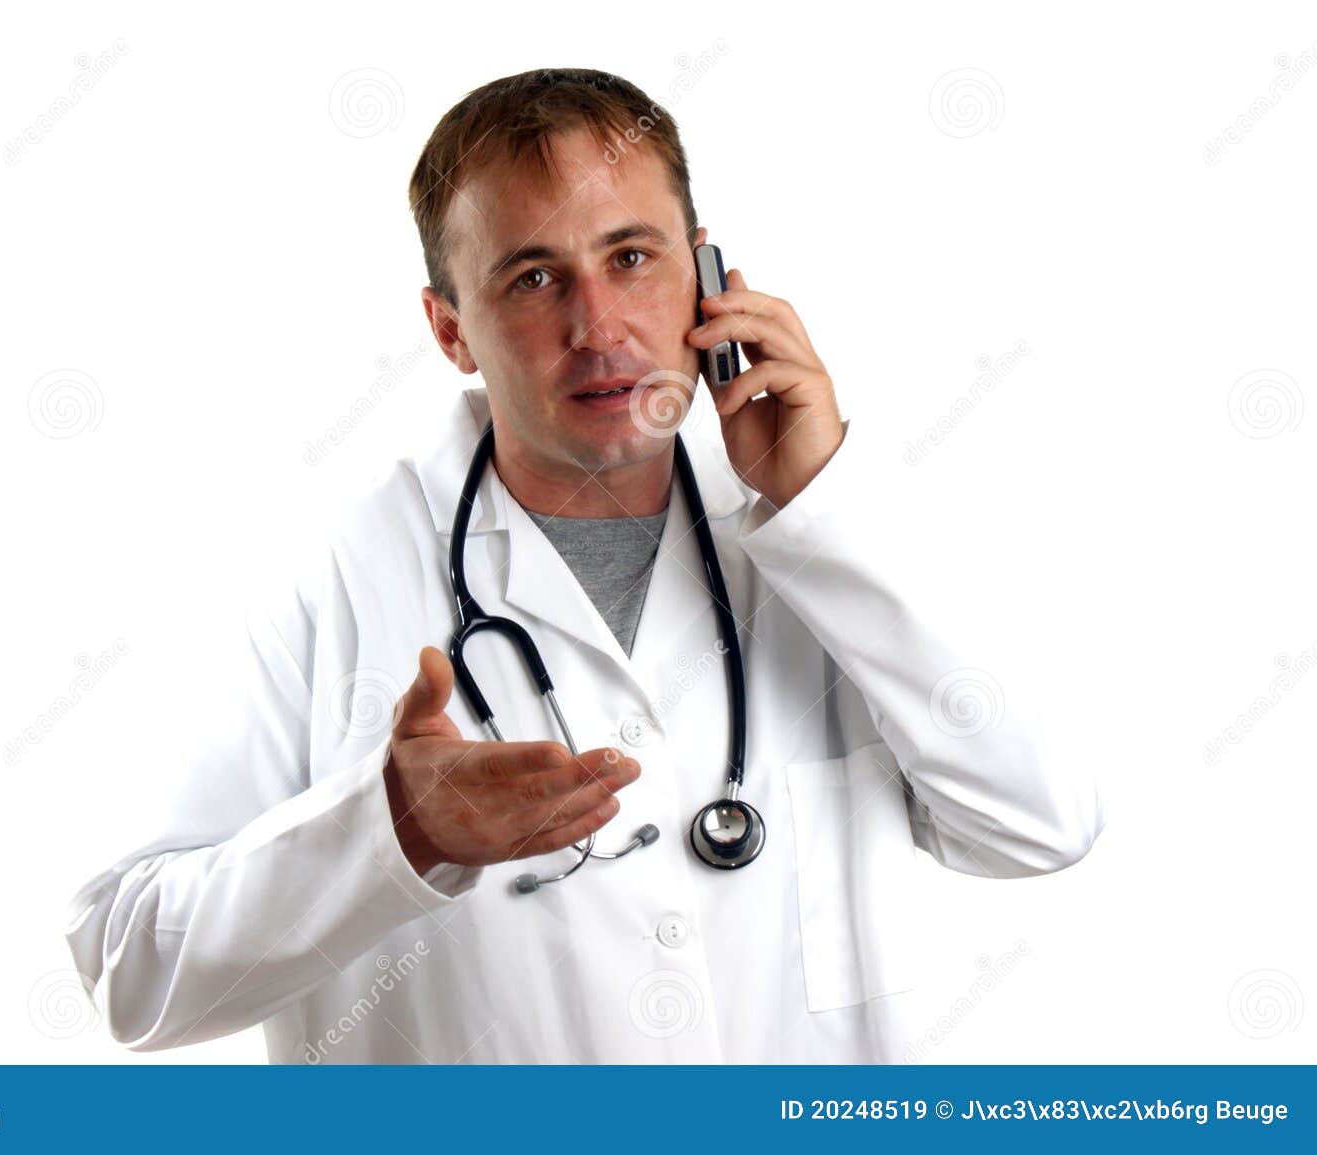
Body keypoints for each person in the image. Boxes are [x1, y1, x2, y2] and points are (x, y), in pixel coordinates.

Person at [63, 67, 1103, 1063]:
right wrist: (391, 834)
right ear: (449, 329)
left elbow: (1038, 825)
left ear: (707, 275)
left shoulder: (825, 532)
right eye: (533, 278)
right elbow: (126, 969)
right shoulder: (318, 575)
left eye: (632, 258)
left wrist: (822, 510)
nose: (599, 328)